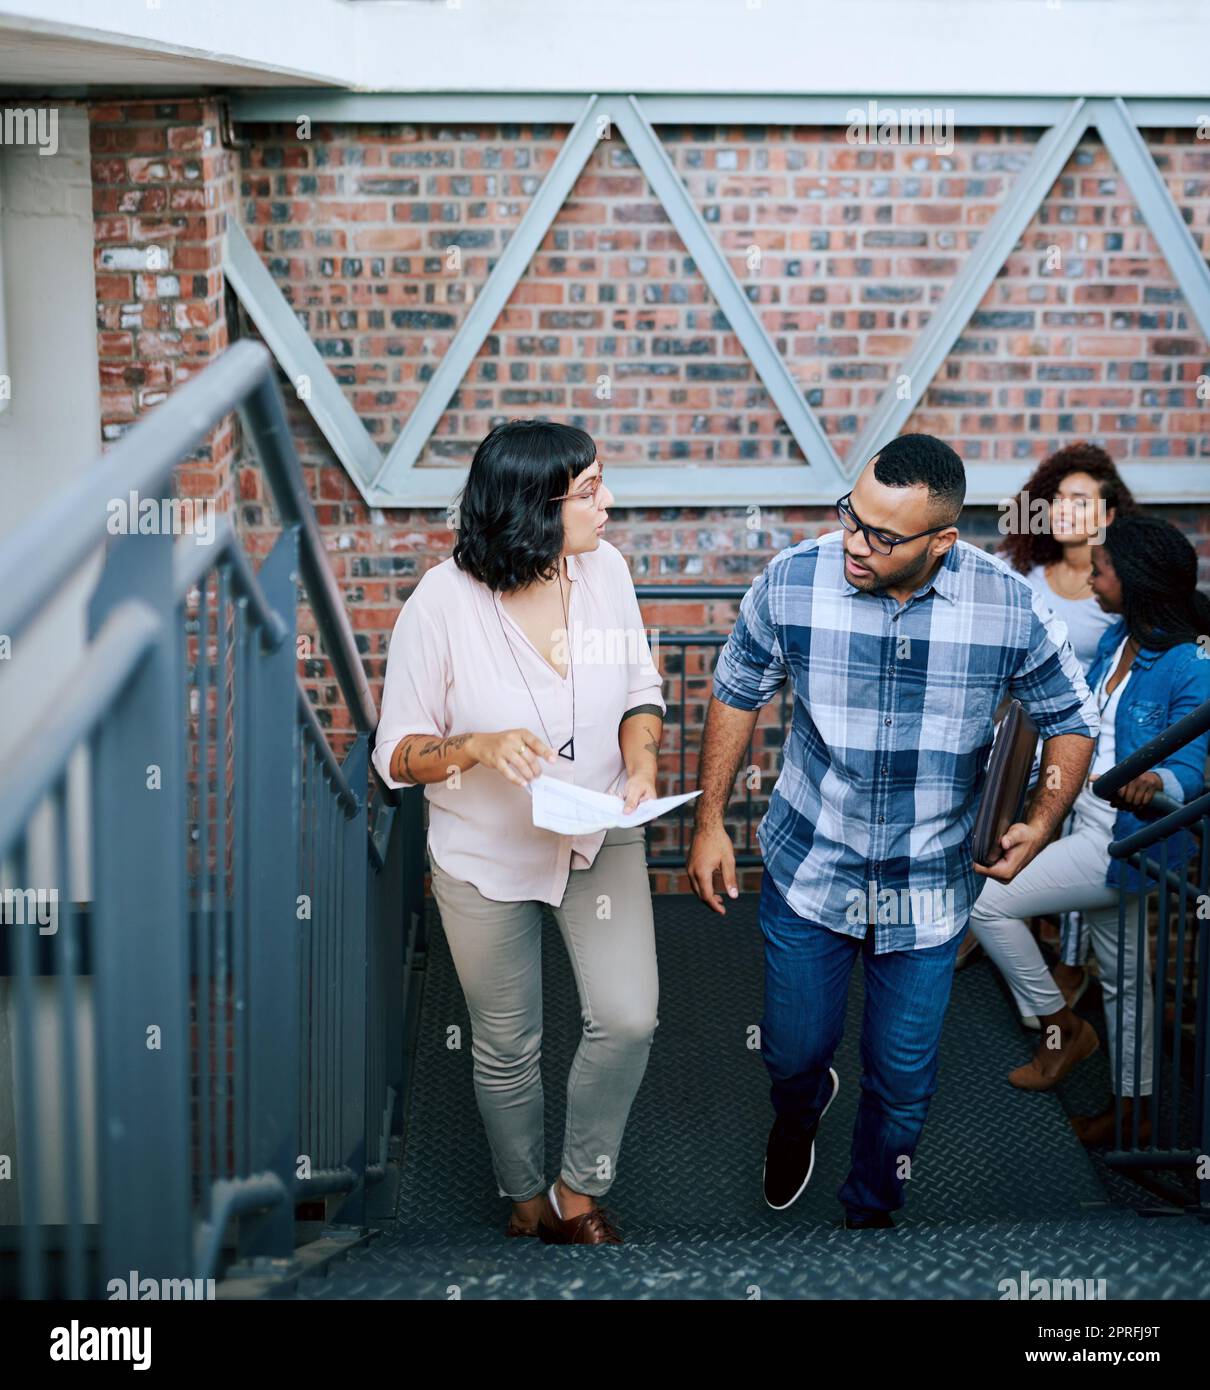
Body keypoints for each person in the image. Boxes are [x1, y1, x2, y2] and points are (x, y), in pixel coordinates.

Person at [687, 434, 1099, 1229]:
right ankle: (799, 1113)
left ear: (942, 540)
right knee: (793, 1053)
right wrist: (710, 821)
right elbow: (737, 691)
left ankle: (872, 1212)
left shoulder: (1008, 606)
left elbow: (1069, 718)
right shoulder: (796, 580)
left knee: (903, 1080)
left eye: (881, 535)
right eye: (852, 515)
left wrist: (1044, 821)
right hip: (812, 868)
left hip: (930, 889)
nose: (854, 541)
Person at [372, 420, 666, 1245]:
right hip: (484, 853)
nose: (607, 505)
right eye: (589, 492)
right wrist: (474, 747)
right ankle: (525, 1194)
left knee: (628, 1016)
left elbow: (642, 688)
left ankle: (581, 1186)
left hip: (599, 829)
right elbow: (395, 753)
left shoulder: (604, 571)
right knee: (507, 1044)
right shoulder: (441, 603)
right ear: (537, 509)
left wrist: (640, 763)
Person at [965, 514, 1210, 1146]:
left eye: (1101, 570)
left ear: (1134, 579)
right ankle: (1134, 1113)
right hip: (1089, 822)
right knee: (1128, 980)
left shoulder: (1189, 665)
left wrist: (1159, 784)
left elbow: (1187, 765)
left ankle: (1061, 1027)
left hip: (1126, 839)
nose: (1092, 579)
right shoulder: (1117, 642)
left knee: (986, 901)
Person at [963, 444, 1138, 995]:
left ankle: (1068, 966)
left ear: (1109, 516)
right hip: (1022, 734)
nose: (1064, 510)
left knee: (1072, 845)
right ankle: (983, 927)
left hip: (1083, 745)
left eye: (1081, 502)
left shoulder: (1117, 591)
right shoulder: (1030, 575)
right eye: (1058, 500)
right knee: (992, 822)